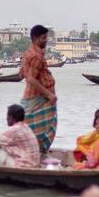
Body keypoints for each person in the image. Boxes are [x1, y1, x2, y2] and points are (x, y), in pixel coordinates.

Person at [20, 25, 58, 153]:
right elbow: (30, 78)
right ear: (35, 38)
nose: (46, 40)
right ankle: (37, 150)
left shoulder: (28, 52)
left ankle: (33, 149)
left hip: (32, 96)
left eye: (46, 37)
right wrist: (49, 95)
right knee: (46, 126)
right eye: (43, 38)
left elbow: (22, 74)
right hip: (39, 98)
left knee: (27, 125)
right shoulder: (36, 56)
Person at [0, 104, 43, 169]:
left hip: (25, 165)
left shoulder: (14, 129)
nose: (6, 118)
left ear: (11, 117)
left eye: (7, 116)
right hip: (34, 164)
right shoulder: (26, 127)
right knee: (3, 146)